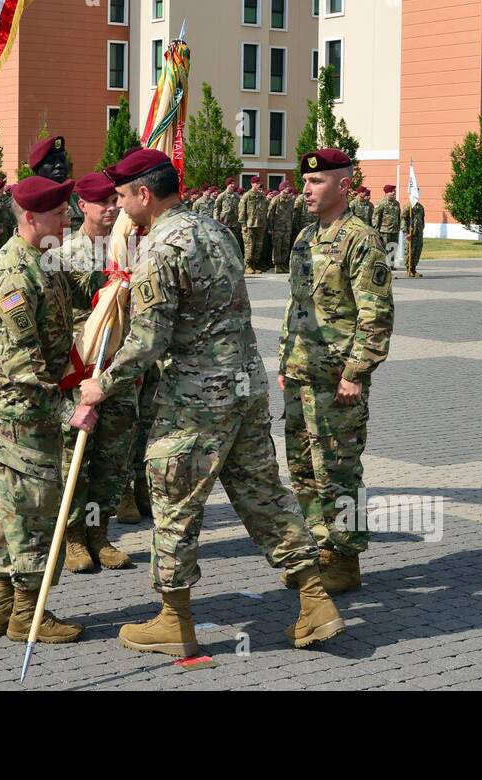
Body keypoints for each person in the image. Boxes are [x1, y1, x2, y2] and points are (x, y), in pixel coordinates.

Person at [78, 148, 344, 656]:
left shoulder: (160, 248)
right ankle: (315, 602)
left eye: (122, 196)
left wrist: (102, 383)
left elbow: (149, 339)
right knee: (263, 495)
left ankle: (173, 619)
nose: (119, 206)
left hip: (197, 398)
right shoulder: (213, 228)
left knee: (174, 499)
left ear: (144, 194)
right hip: (245, 386)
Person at [0, 174, 95, 643]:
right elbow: (22, 364)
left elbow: (81, 290)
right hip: (22, 412)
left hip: (30, 410)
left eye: (66, 211)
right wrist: (71, 408)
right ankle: (29, 615)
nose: (66, 218)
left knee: (10, 511)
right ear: (30, 218)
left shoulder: (43, 260)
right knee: (34, 513)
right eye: (57, 213)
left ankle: (1, 608)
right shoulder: (14, 276)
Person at [280, 148, 394, 596]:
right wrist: (285, 360)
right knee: (304, 469)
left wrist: (356, 373)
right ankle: (321, 548)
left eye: (316, 182)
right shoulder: (305, 238)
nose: (305, 190)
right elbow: (298, 306)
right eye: (305, 182)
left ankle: (346, 559)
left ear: (343, 185)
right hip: (302, 373)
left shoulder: (360, 239)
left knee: (339, 472)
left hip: (337, 382)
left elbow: (377, 315)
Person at [45, 171, 137, 573]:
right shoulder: (63, 254)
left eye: (115, 200)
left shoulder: (133, 250)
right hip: (81, 371)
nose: (112, 208)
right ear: (83, 205)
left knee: (113, 460)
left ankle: (101, 534)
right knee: (76, 460)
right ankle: (74, 536)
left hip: (120, 370)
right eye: (102, 202)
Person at [28, 135, 83, 233]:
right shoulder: (27, 203)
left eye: (62, 160)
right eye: (51, 161)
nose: (59, 165)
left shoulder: (79, 200)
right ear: (37, 169)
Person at [238, 177, 268, 274]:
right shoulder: (246, 196)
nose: (258, 184)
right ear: (252, 184)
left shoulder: (262, 195)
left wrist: (264, 223)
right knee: (249, 247)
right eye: (256, 183)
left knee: (258, 247)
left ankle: (255, 265)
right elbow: (241, 211)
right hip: (249, 225)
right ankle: (248, 266)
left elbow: (265, 209)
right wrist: (243, 225)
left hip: (260, 225)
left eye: (259, 183)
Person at [373, 184, 402, 270]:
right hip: (384, 231)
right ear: (386, 193)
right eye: (391, 191)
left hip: (394, 230)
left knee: (393, 248)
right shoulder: (381, 203)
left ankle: (391, 265)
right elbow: (376, 218)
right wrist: (376, 231)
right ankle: (383, 267)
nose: (394, 193)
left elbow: (398, 216)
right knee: (384, 250)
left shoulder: (397, 203)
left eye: (394, 191)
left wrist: (399, 227)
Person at [214, 177, 242, 251]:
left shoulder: (236, 196)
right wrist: (216, 221)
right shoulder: (222, 196)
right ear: (227, 185)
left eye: (233, 184)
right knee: (225, 242)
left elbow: (240, 208)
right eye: (230, 184)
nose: (232, 185)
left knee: (235, 242)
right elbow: (217, 209)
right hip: (225, 223)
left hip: (235, 224)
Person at [401, 196, 425, 277]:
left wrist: (421, 229)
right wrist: (406, 232)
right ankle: (408, 269)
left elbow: (422, 219)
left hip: (418, 233)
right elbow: (403, 219)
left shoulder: (420, 207)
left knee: (417, 251)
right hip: (410, 233)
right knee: (409, 250)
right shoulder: (408, 206)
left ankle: (414, 269)